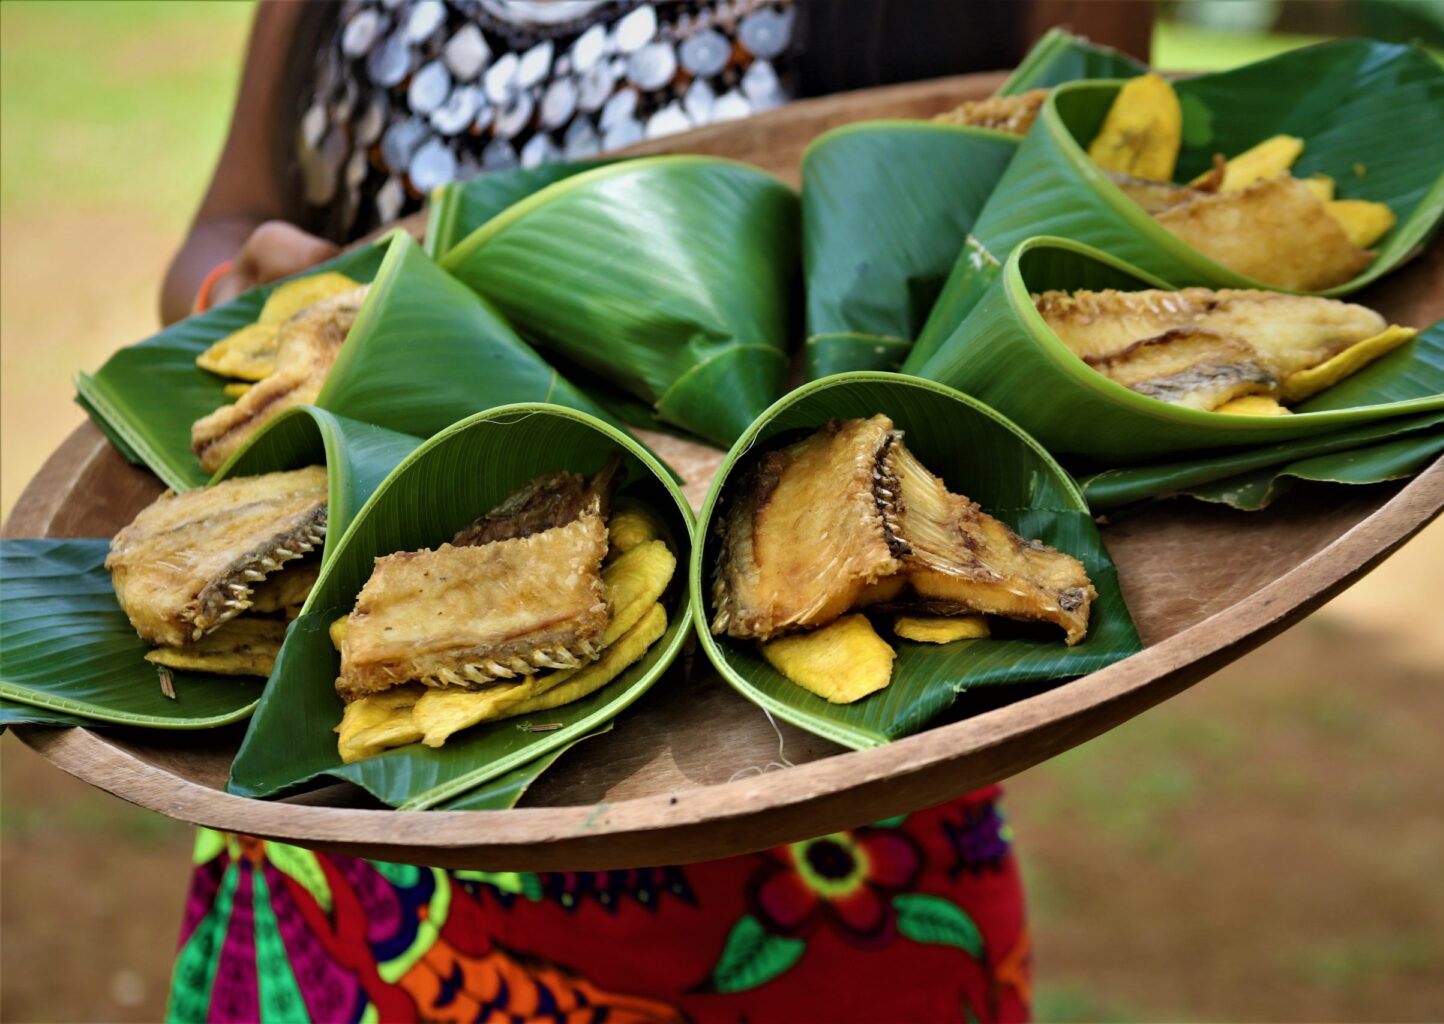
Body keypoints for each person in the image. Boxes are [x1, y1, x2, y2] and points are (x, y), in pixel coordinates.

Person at [161, 4, 1152, 1021]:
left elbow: (1094, 184)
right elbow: (226, 231)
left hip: (827, 880)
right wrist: (246, 292)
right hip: (354, 881)